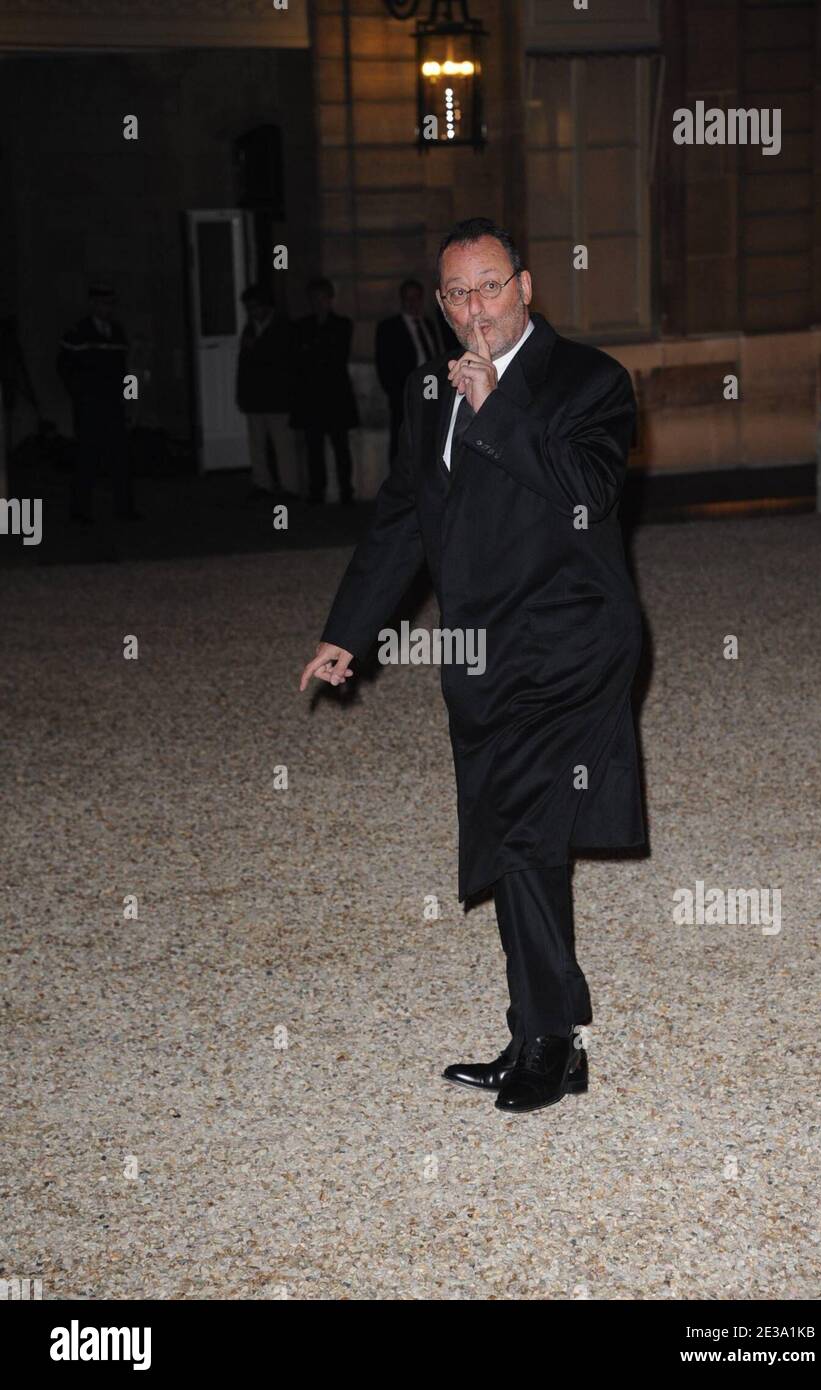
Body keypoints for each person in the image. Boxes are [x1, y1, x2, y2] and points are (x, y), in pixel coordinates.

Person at [299, 217, 645, 1115]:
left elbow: (589, 489)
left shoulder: (587, 380)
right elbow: (403, 521)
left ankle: (545, 1040)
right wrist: (350, 631)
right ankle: (550, 1030)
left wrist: (498, 406)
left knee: (524, 831)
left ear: (525, 287)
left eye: (489, 287)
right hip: (479, 652)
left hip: (569, 645)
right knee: (510, 835)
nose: (473, 309)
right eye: (456, 294)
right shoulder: (426, 390)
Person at [57, 285, 138, 523]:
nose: (108, 309)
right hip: (89, 404)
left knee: (120, 458)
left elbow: (127, 370)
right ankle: (80, 510)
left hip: (113, 404)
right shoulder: (77, 332)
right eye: (104, 303)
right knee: (86, 456)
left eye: (112, 304)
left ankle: (124, 508)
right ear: (93, 304)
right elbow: (64, 367)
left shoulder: (117, 332)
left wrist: (129, 399)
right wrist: (79, 394)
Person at [293, 277, 358, 506]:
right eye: (314, 299)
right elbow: (300, 359)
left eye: (322, 299)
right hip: (312, 396)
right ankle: (316, 492)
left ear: (330, 300)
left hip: (335, 395)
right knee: (314, 448)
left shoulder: (342, 324)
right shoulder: (303, 326)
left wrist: (313, 351)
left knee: (341, 446)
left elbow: (335, 356)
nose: (318, 304)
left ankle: (346, 491)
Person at [375, 279, 455, 462]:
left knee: (429, 438)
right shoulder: (390, 327)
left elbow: (436, 356)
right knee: (402, 441)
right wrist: (397, 394)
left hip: (431, 389)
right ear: (402, 300)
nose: (412, 302)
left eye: (416, 298)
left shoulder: (428, 324)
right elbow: (384, 365)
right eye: (408, 298)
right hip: (405, 392)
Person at [236, 284, 300, 499]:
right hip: (255, 396)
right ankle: (262, 483)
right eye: (249, 308)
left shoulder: (283, 327)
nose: (252, 312)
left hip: (277, 396)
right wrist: (241, 393)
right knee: (257, 443)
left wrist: (257, 349)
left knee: (283, 444)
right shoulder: (250, 329)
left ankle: (289, 485)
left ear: (266, 306)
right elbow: (244, 365)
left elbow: (283, 361)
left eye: (254, 307)